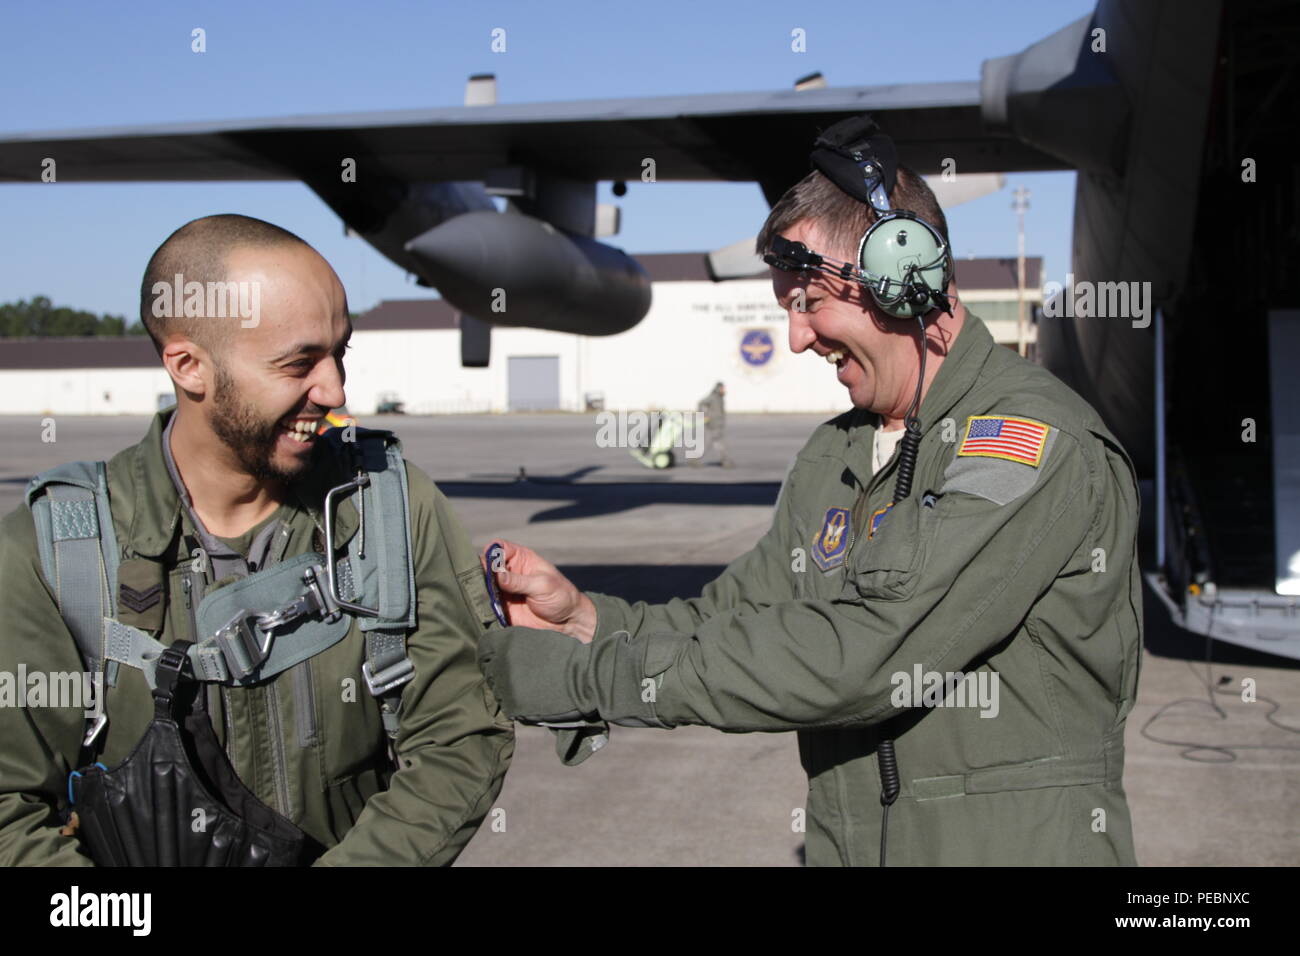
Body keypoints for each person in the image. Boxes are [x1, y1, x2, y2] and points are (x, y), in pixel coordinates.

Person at [477, 116, 1142, 866]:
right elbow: (736, 615)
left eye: (808, 302)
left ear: (903, 277)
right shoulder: (840, 450)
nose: (796, 339)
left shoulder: (1031, 440)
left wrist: (588, 681)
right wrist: (588, 623)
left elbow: (867, 655)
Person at [0, 214, 512, 866]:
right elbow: (9, 809)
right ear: (189, 366)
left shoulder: (388, 508)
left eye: (340, 353)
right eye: (299, 362)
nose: (334, 392)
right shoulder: (59, 550)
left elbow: (459, 736)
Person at [692, 382, 732, 467]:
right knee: (711, 443)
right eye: (722, 388)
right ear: (718, 389)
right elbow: (701, 403)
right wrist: (703, 414)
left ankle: (725, 461)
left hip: (718, 424)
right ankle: (725, 461)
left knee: (718, 444)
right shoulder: (713, 397)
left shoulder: (720, 398)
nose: (724, 390)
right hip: (713, 424)